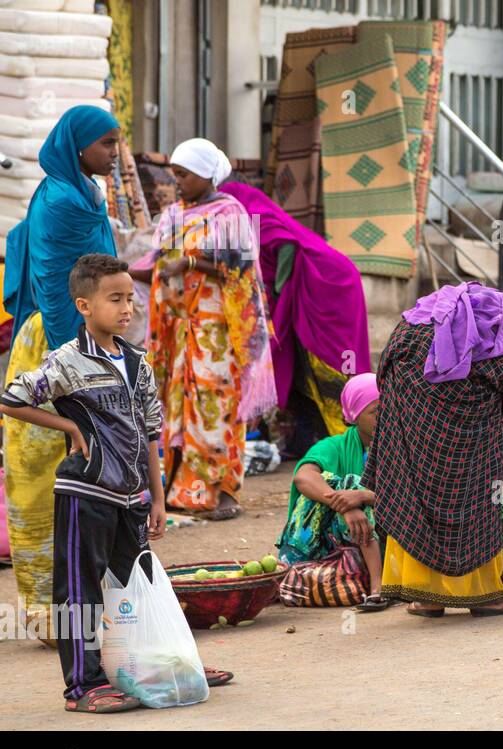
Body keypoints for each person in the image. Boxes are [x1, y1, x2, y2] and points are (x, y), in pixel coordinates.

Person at [0, 254, 231, 713]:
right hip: (85, 492)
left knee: (137, 581)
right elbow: (12, 398)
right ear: (84, 306)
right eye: (115, 299)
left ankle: (157, 661)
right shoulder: (66, 361)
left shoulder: (137, 362)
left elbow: (149, 434)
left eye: (130, 298)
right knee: (80, 589)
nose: (127, 308)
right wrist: (69, 428)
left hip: (132, 495)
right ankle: (82, 685)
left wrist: (158, 497)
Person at [365, 282, 503, 618]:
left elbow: (488, 436)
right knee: (471, 479)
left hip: (402, 353)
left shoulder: (495, 315)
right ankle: (484, 595)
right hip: (450, 362)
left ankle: (429, 593)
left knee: (425, 474)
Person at [2, 105, 120, 645]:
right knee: (41, 474)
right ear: (78, 148)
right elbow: (54, 285)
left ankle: (91, 605)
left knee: (90, 474)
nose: (115, 153)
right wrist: (74, 361)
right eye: (107, 144)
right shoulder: (61, 200)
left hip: (90, 337)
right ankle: (51, 616)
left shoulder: (87, 193)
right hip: (58, 342)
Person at [130, 138, 276, 521]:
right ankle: (182, 489)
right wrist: (130, 271)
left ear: (208, 174)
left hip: (218, 331)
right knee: (178, 406)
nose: (178, 181)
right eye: (175, 174)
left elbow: (242, 269)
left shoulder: (230, 213)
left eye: (184, 174)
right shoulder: (174, 214)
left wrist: (191, 262)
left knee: (217, 406)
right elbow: (161, 263)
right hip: (179, 330)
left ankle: (225, 492)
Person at [219, 180, 371, 453]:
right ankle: (308, 440)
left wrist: (279, 291)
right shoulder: (242, 221)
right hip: (309, 291)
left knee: (333, 362)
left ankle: (349, 439)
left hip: (329, 287)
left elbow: (285, 244)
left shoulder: (258, 218)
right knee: (299, 366)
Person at [279, 373, 391, 610]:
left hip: (383, 538)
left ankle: (377, 584)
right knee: (341, 482)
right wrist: (346, 505)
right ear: (354, 415)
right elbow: (304, 477)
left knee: (354, 486)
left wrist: (362, 497)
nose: (385, 417)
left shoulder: (401, 446)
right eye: (375, 412)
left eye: (390, 408)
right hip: (333, 541)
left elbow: (409, 496)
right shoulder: (334, 446)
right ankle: (375, 585)